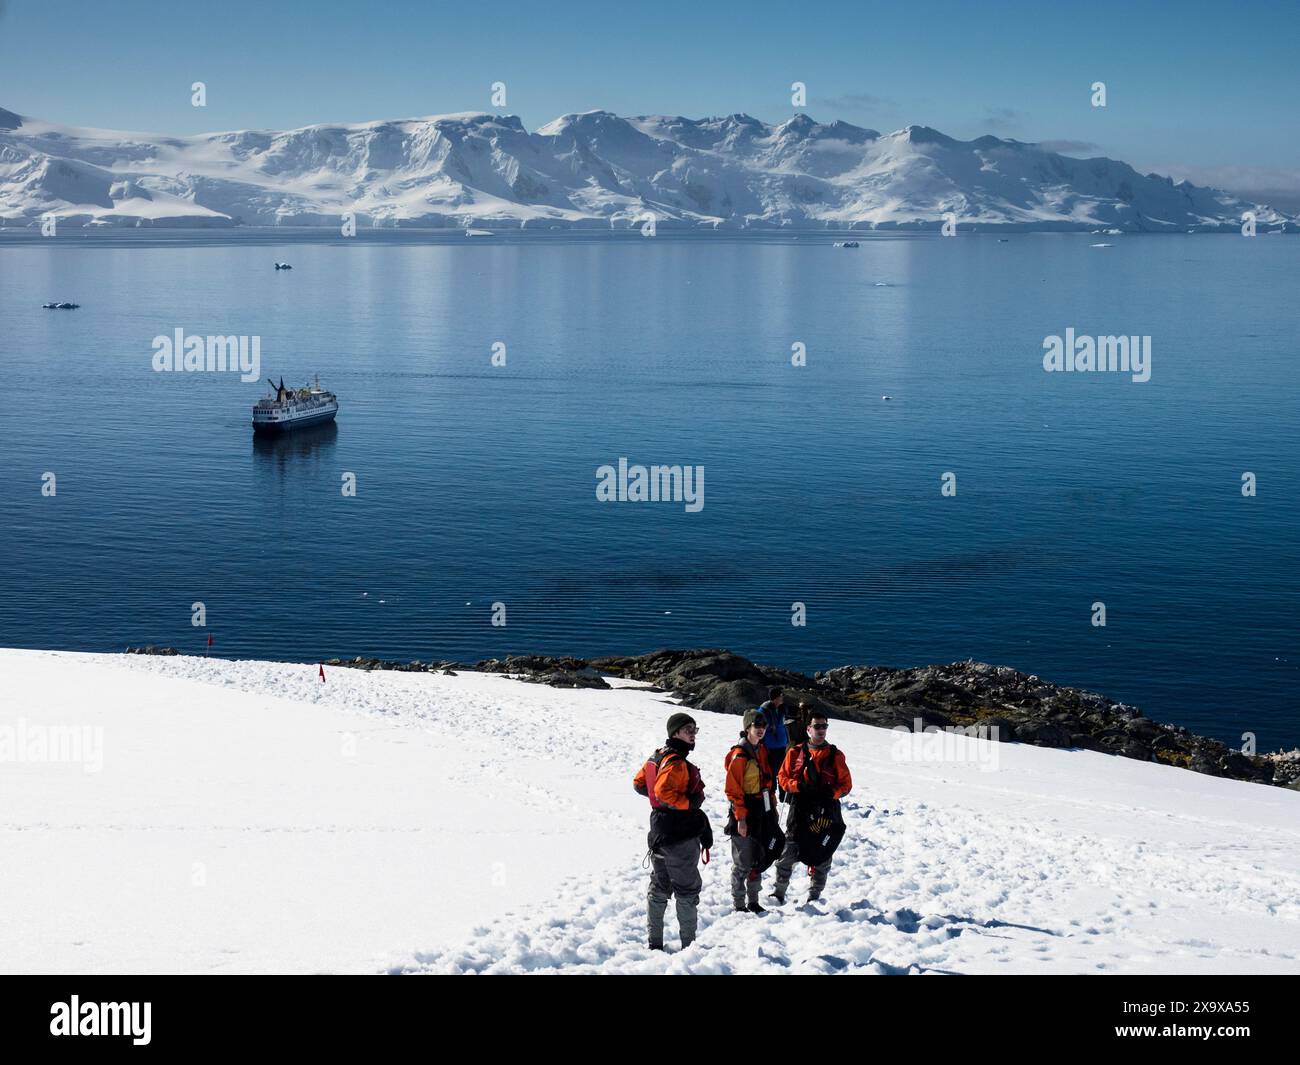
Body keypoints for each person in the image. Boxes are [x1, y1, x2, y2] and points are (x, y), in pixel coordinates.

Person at [633, 712, 712, 951]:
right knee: (686, 890)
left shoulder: (657, 756)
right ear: (675, 732)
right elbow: (663, 792)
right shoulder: (676, 762)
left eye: (694, 729)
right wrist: (688, 804)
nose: (692, 733)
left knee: (659, 887)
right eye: (688, 729)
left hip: (658, 831)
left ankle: (654, 943)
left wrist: (660, 804)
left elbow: (639, 784)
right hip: (679, 834)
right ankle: (689, 948)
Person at [771, 713, 852, 904]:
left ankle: (814, 895)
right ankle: (779, 892)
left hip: (827, 809)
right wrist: (797, 786)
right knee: (789, 850)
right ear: (808, 729)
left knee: (823, 852)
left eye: (824, 726)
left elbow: (846, 785)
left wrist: (832, 793)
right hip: (800, 808)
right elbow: (782, 778)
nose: (821, 730)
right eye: (817, 726)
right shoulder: (795, 752)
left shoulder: (835, 755)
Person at [724, 709, 782, 914]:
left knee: (760, 856)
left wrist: (772, 807)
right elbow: (733, 790)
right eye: (757, 726)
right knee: (743, 861)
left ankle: (754, 901)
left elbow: (768, 782)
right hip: (746, 811)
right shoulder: (739, 755)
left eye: (763, 726)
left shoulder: (762, 750)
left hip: (762, 810)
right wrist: (741, 818)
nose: (761, 730)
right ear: (747, 728)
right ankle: (739, 903)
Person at [757, 687, 790, 801]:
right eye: (781, 695)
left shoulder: (780, 709)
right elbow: (759, 728)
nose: (782, 697)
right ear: (776, 697)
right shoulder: (764, 711)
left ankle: (783, 796)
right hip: (771, 747)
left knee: (783, 771)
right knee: (771, 772)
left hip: (781, 746)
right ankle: (771, 795)